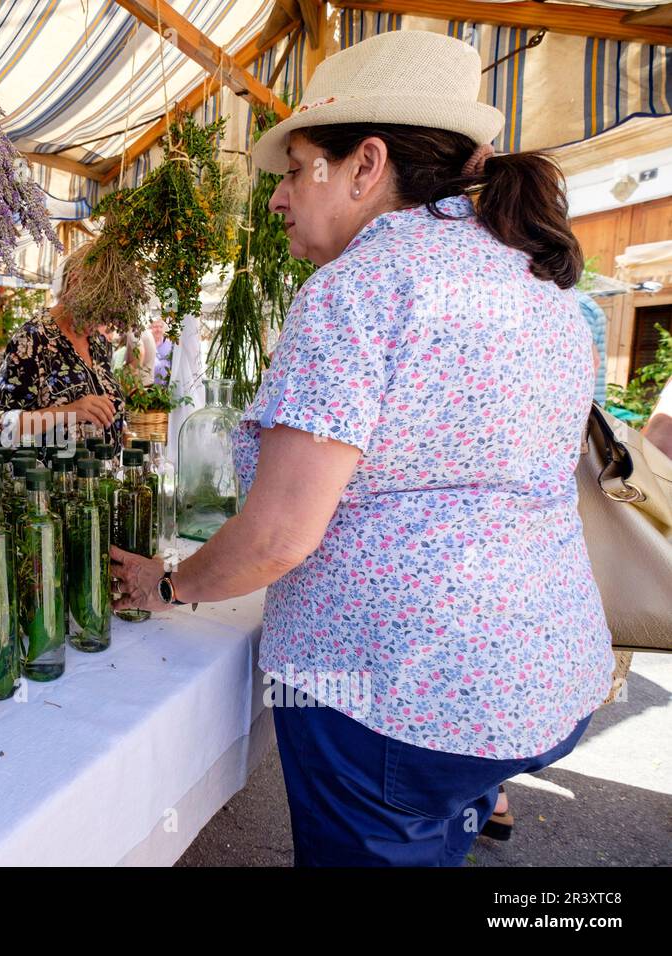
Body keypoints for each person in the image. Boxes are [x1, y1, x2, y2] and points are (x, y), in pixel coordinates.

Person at [108, 30, 613, 866]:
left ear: (364, 164)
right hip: (539, 673)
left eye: (296, 167)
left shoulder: (359, 287)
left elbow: (278, 536)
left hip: (397, 699)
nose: (277, 200)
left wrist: (168, 583)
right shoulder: (535, 280)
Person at [0, 252, 124, 448]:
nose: (103, 320)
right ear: (75, 281)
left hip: (103, 476)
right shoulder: (33, 338)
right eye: (99, 306)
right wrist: (69, 411)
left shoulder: (99, 343)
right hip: (53, 476)